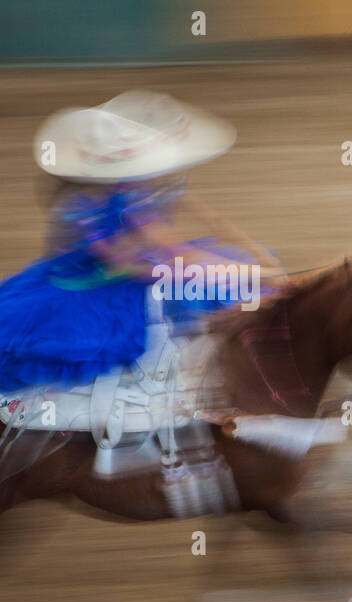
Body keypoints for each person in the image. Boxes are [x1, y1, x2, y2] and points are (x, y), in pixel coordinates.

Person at [0, 91, 269, 393]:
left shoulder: (123, 192)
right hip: (89, 284)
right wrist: (224, 269)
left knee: (216, 279)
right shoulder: (79, 207)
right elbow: (127, 262)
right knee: (172, 300)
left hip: (130, 268)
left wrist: (222, 265)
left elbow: (163, 241)